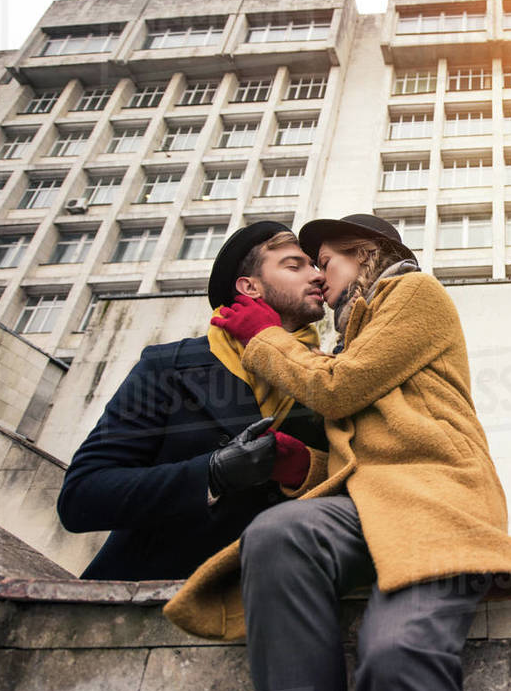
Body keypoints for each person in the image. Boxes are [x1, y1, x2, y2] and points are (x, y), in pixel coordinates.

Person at [162, 213, 511, 691]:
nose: (319, 276)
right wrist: (299, 465)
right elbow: (365, 453)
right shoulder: (351, 338)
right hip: (374, 509)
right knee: (278, 533)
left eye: (326, 262)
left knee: (396, 654)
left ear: (366, 253)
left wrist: (264, 336)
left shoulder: (414, 293)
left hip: (439, 506)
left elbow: (337, 388)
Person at [56, 221, 332, 581]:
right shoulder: (169, 364)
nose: (317, 276)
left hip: (274, 599)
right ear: (249, 287)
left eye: (315, 266)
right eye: (295, 266)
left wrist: (306, 468)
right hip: (147, 598)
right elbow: (82, 498)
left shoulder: (328, 380)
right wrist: (213, 472)